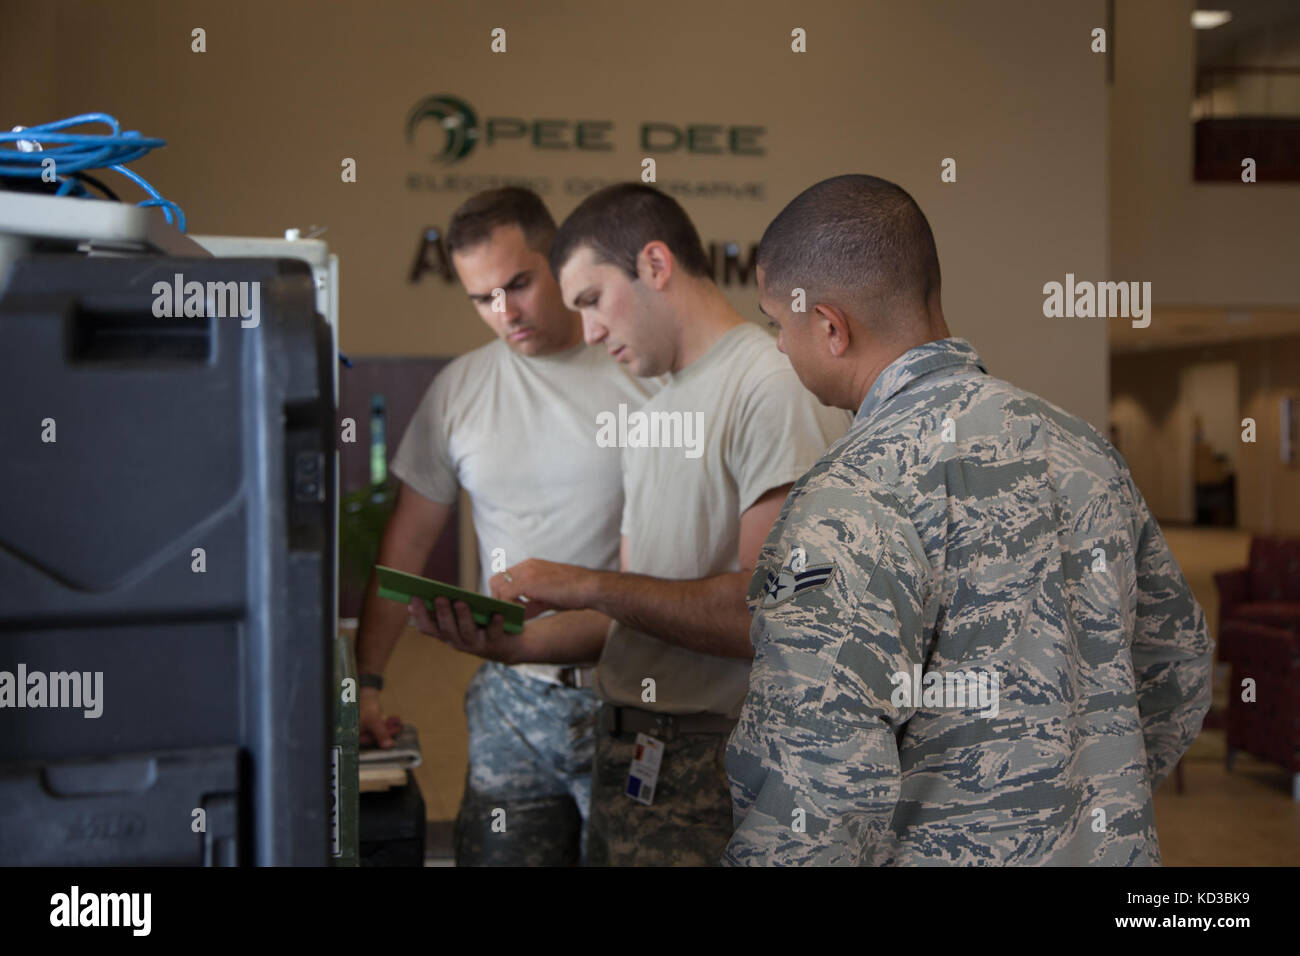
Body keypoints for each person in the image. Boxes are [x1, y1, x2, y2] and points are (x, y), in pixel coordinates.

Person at [724, 173, 1213, 866]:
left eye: (778, 323)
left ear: (831, 327)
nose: (777, 344)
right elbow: (1179, 669)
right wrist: (1089, 804)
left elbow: (817, 777)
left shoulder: (850, 492)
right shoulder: (1084, 450)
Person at [433, 183, 852, 865]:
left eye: (592, 300)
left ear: (656, 264)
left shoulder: (768, 385)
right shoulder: (654, 411)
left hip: (714, 764)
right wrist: (511, 646)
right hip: (629, 758)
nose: (590, 332)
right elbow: (636, 616)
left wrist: (585, 583)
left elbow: (769, 616)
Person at [355, 187, 654, 866]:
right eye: (481, 297)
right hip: (513, 705)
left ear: (561, 261)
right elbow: (405, 545)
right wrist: (367, 687)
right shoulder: (458, 391)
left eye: (519, 284)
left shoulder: (643, 375)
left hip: (636, 697)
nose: (504, 312)